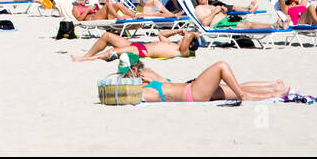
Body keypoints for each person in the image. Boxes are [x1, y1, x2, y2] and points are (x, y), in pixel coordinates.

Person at [124, 55, 289, 103]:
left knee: (234, 88)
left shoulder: (148, 77)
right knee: (221, 66)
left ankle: (273, 90)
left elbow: (166, 83)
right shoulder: (146, 91)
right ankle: (247, 96)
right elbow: (148, 97)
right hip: (194, 93)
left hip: (193, 89)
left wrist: (154, 78)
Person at [71, 30, 199, 62]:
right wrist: (177, 31)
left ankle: (85, 59)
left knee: (113, 50)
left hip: (141, 51)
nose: (183, 37)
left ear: (189, 44)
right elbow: (161, 34)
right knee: (106, 36)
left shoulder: (182, 51)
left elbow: (193, 36)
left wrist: (190, 34)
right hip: (139, 45)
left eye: (186, 38)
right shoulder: (173, 44)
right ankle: (87, 55)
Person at [190, 0, 274, 30]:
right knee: (247, 25)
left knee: (251, 23)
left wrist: (224, 12)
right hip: (220, 25)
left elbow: (220, 15)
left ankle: (273, 25)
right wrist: (215, 12)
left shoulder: (211, 6)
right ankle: (272, 26)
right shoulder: (199, 8)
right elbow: (204, 23)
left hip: (227, 20)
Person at [68, 0, 138, 22]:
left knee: (118, 4)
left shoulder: (88, 5)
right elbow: (79, 19)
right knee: (107, 5)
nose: (84, 0)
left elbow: (99, 12)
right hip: (91, 19)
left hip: (99, 16)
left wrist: (96, 8)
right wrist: (88, 10)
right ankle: (119, 18)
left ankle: (134, 16)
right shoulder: (75, 7)